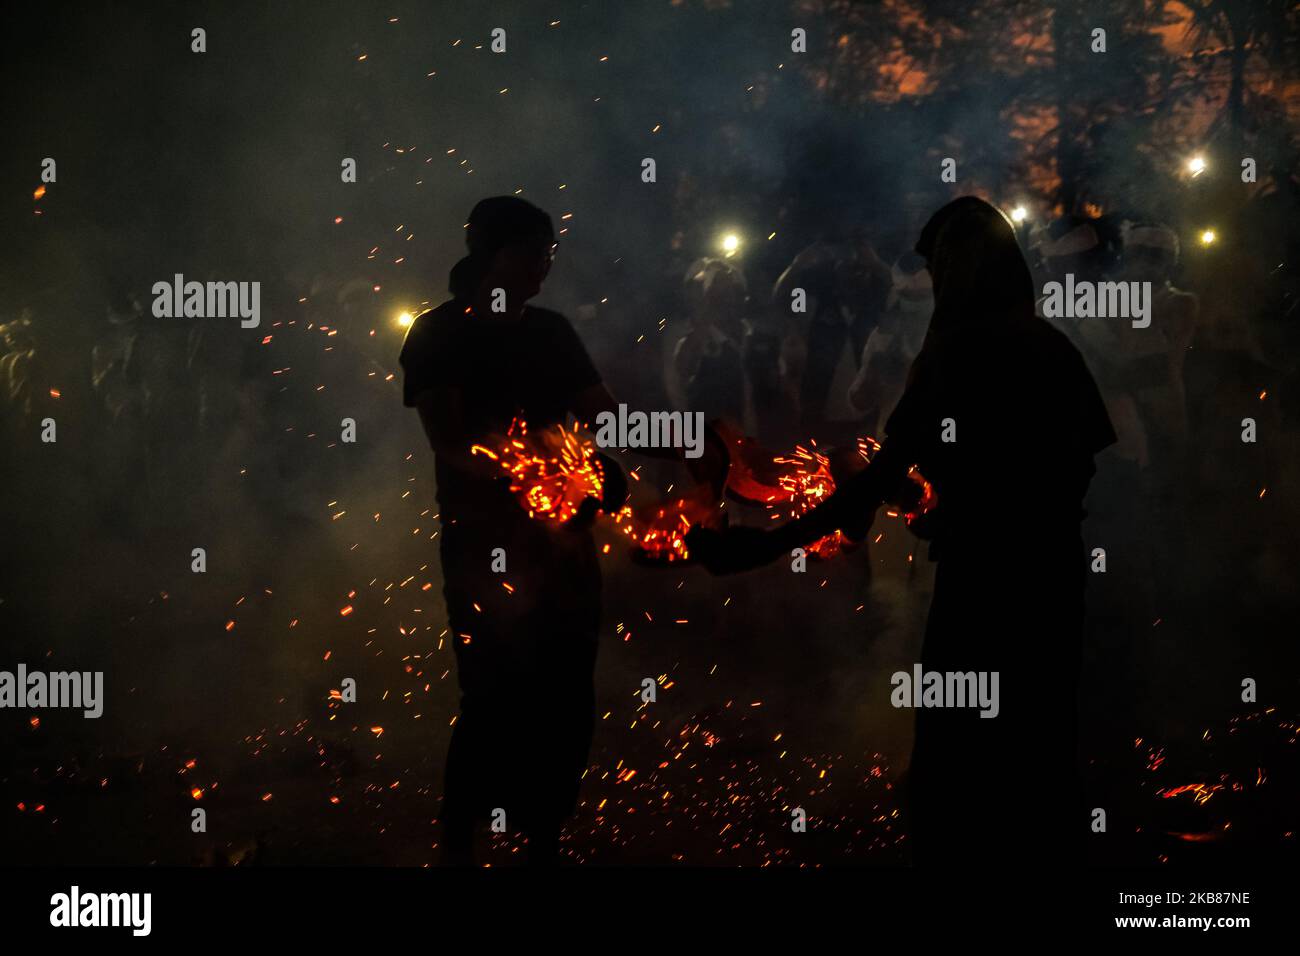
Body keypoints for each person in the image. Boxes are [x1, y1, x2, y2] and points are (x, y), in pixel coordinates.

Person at [689, 197, 1116, 865]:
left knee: (951, 770)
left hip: (983, 586)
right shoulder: (1050, 346)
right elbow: (1079, 466)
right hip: (1053, 579)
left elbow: (877, 478)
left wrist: (768, 544)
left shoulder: (957, 354)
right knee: (1040, 750)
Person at [400, 197, 629, 865]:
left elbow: (606, 419)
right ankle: (459, 839)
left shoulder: (553, 333)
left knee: (565, 692)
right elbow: (449, 441)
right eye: (535, 252)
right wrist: (522, 474)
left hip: (564, 547)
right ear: (495, 257)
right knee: (494, 692)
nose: (546, 266)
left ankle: (543, 835)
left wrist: (681, 445)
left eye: (550, 253)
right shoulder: (439, 334)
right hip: (485, 546)